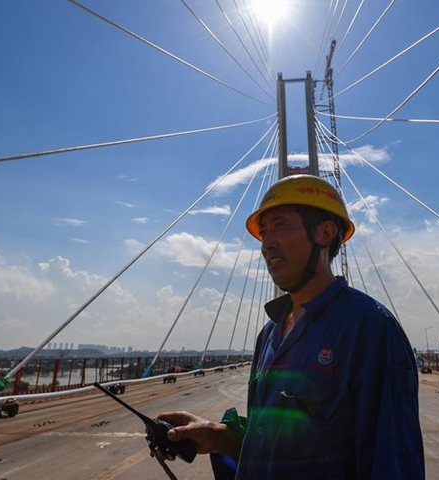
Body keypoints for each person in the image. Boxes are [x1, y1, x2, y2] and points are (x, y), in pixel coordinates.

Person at [157, 175, 425, 479]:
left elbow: (393, 460)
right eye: (263, 231)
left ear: (324, 233)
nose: (266, 243)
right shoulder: (270, 334)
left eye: (280, 225)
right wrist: (219, 437)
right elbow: (275, 445)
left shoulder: (371, 329)